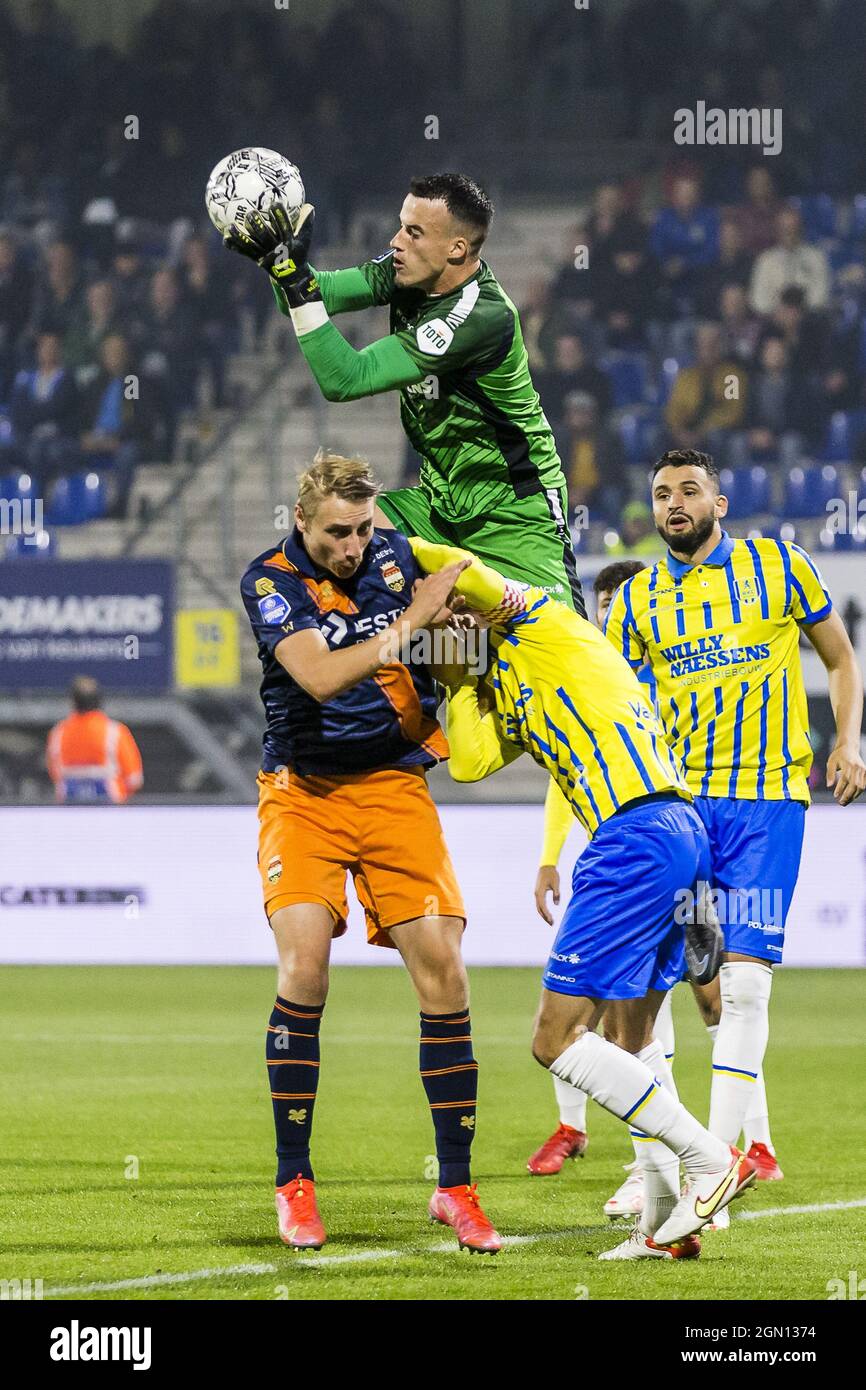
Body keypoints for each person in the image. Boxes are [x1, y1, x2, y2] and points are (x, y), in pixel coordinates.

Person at [410, 535, 759, 1258]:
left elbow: (466, 567)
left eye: (441, 622)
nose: (437, 636)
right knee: (631, 1038)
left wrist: (393, 543)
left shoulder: (543, 619)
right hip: (674, 829)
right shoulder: (501, 681)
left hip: (634, 836)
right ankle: (662, 1225)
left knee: (556, 1038)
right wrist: (458, 678)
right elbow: (471, 763)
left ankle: (712, 1160)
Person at [239, 451, 501, 1255]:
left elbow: (453, 657)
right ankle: (294, 1183)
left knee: (445, 972)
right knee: (305, 970)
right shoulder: (270, 580)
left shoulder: (397, 554)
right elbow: (318, 677)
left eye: (362, 529)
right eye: (337, 533)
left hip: (394, 786)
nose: (354, 546)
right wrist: (415, 620)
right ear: (302, 520)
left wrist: (462, 641)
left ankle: (455, 1187)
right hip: (303, 794)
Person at [603, 448, 865, 1201]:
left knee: (743, 990)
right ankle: (659, 1162)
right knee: (648, 992)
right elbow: (618, 706)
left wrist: (847, 741)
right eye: (661, 493)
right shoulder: (638, 600)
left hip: (765, 802)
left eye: (689, 490)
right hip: (679, 813)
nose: (674, 502)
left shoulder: (779, 565)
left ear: (719, 502)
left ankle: (714, 1168)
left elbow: (841, 661)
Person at [224, 172, 585, 616]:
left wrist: (296, 283)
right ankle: (354, 668)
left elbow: (346, 379)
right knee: (337, 530)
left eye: (414, 232)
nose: (396, 240)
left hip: (513, 510)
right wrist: (282, 264)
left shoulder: (481, 316)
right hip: (438, 501)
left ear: (456, 248)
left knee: (560, 650)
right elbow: (310, 297)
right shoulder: (406, 270)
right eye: (401, 225)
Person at [46, 676, 143, 804]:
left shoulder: (59, 732)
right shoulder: (115, 731)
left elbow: (54, 773)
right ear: (100, 701)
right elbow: (134, 779)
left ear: (73, 702)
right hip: (111, 812)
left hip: (69, 812)